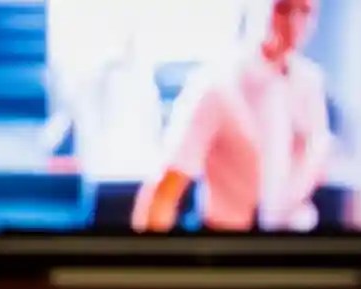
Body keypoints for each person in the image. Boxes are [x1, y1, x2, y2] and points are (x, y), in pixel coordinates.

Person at [131, 0, 333, 233]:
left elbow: (316, 156)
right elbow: (164, 192)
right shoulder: (216, 85)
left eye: (306, 12)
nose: (295, 23)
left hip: (294, 240)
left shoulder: (309, 82)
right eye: (283, 8)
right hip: (226, 243)